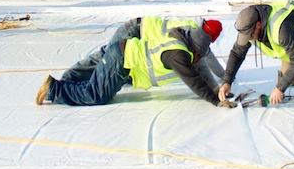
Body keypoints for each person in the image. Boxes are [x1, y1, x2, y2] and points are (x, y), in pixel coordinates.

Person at [36, 17, 237, 108]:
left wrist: (223, 82)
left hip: (129, 51)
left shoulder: (188, 35)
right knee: (96, 92)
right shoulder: (179, 53)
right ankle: (55, 88)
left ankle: (67, 83)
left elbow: (200, 66)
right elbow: (194, 79)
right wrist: (215, 99)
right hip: (131, 40)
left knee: (101, 69)